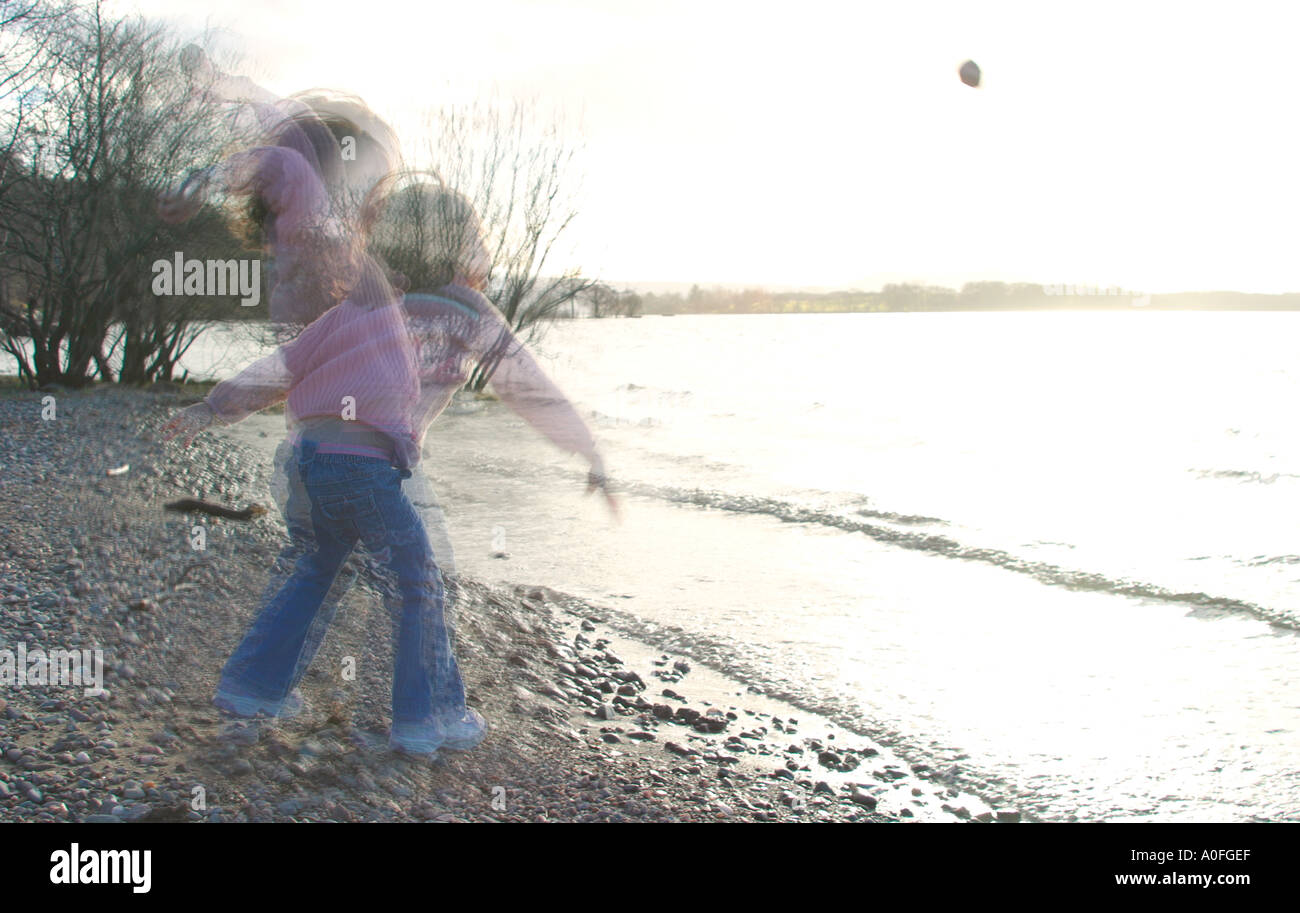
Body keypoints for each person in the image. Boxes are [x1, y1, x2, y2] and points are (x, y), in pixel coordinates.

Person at [160, 178, 619, 755]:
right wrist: (585, 447)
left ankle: (251, 692)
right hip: (367, 470)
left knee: (316, 571)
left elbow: (287, 364)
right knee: (419, 587)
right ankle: (428, 720)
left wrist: (213, 406)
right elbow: (526, 384)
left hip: (305, 462)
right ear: (461, 248)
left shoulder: (361, 304)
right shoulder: (464, 308)